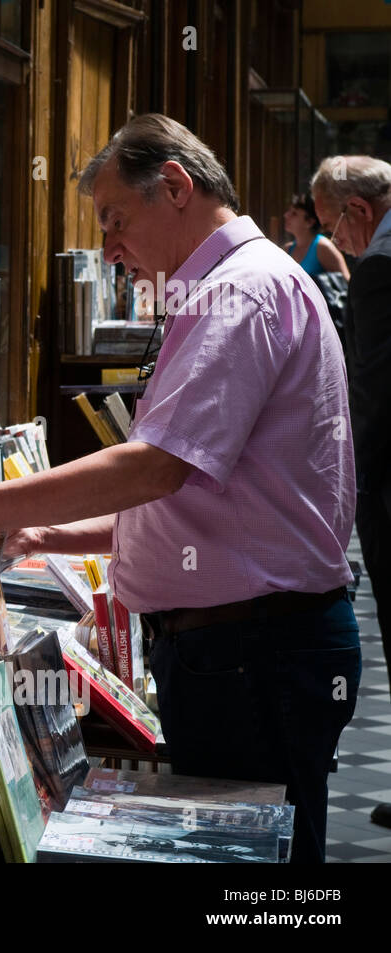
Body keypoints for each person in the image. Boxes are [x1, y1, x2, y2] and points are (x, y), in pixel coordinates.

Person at [0, 114, 359, 863]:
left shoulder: (236, 294)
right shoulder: (232, 286)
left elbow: (155, 466)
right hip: (248, 645)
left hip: (251, 650)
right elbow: (202, 503)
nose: (110, 249)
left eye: (115, 219)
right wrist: (47, 534)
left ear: (174, 186)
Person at [311, 155, 391, 830]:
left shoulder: (379, 273)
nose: (334, 238)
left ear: (357, 212)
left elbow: (374, 401)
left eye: (332, 224)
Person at [283, 192, 349, 281]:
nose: (286, 215)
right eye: (289, 211)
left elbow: (345, 281)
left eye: (294, 213)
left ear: (309, 222)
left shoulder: (323, 247)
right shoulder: (287, 249)